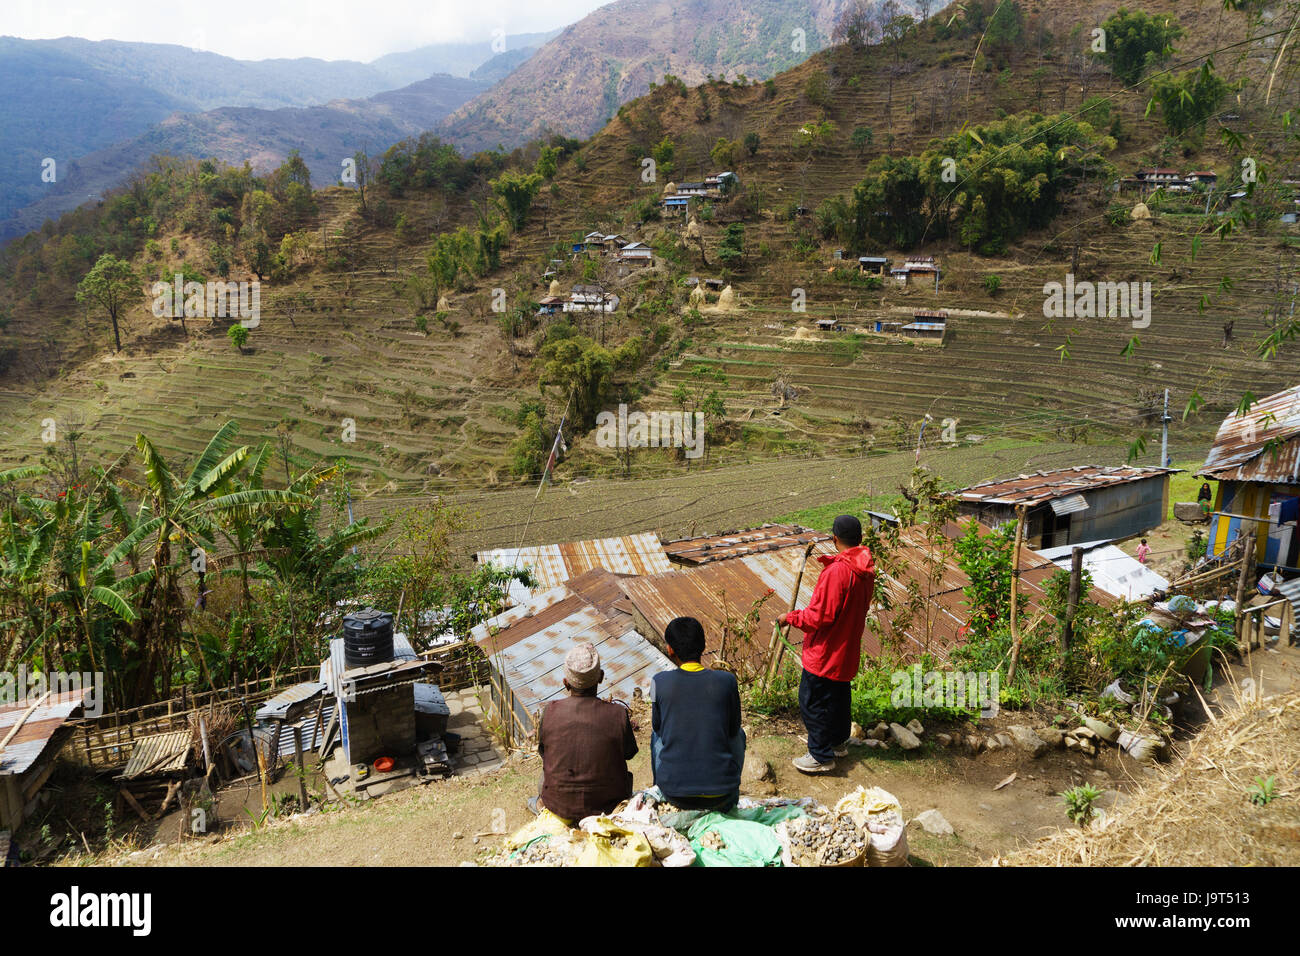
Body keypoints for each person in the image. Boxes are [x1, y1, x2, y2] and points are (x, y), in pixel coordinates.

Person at [778, 514, 876, 774]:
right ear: (860, 539)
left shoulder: (837, 571)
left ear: (834, 538)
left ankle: (821, 756)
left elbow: (820, 616)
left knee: (812, 701)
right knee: (838, 698)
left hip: (826, 651)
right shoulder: (866, 570)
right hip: (846, 648)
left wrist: (790, 617)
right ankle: (837, 743)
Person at [532, 643, 637, 823]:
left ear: (566, 683)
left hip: (559, 807)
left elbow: (544, 753)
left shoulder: (548, 712)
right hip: (608, 808)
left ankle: (541, 807)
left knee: (543, 777)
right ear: (601, 677)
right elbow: (629, 753)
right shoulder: (618, 713)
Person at [650, 616, 745, 811]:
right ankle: (731, 786)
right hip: (723, 795)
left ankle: (659, 789)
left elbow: (657, 726)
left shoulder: (657, 682)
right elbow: (733, 728)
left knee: (655, 735)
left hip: (675, 795)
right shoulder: (727, 681)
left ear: (670, 649)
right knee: (739, 734)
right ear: (703, 646)